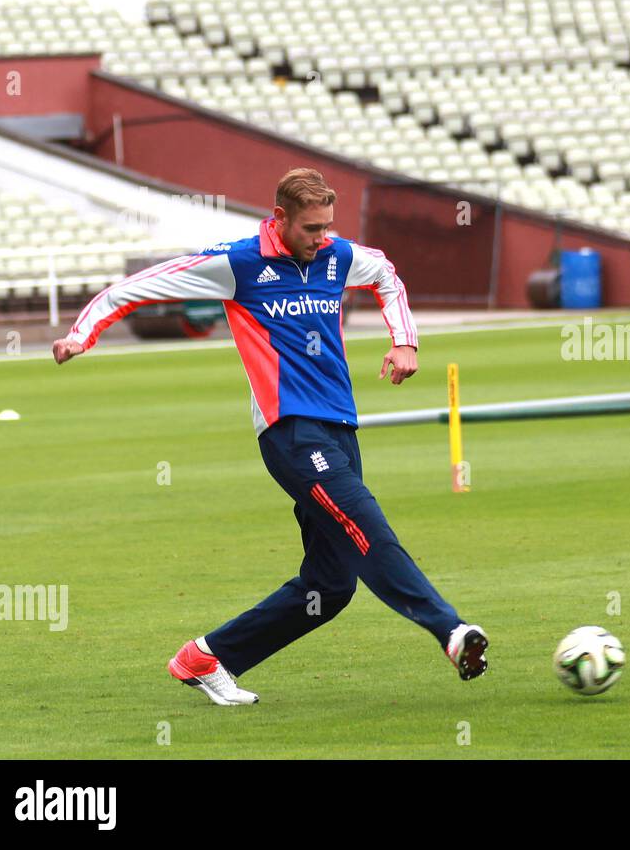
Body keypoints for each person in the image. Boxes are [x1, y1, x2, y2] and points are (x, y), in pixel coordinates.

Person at [52, 168, 489, 704]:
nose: (321, 238)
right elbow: (137, 287)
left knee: (329, 587)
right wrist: (81, 335)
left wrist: (406, 342)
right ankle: (449, 631)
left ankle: (208, 657)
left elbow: (387, 275)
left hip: (339, 428)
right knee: (365, 522)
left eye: (328, 226)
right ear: (279, 218)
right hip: (290, 433)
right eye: (310, 228)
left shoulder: (336, 256)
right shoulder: (238, 263)